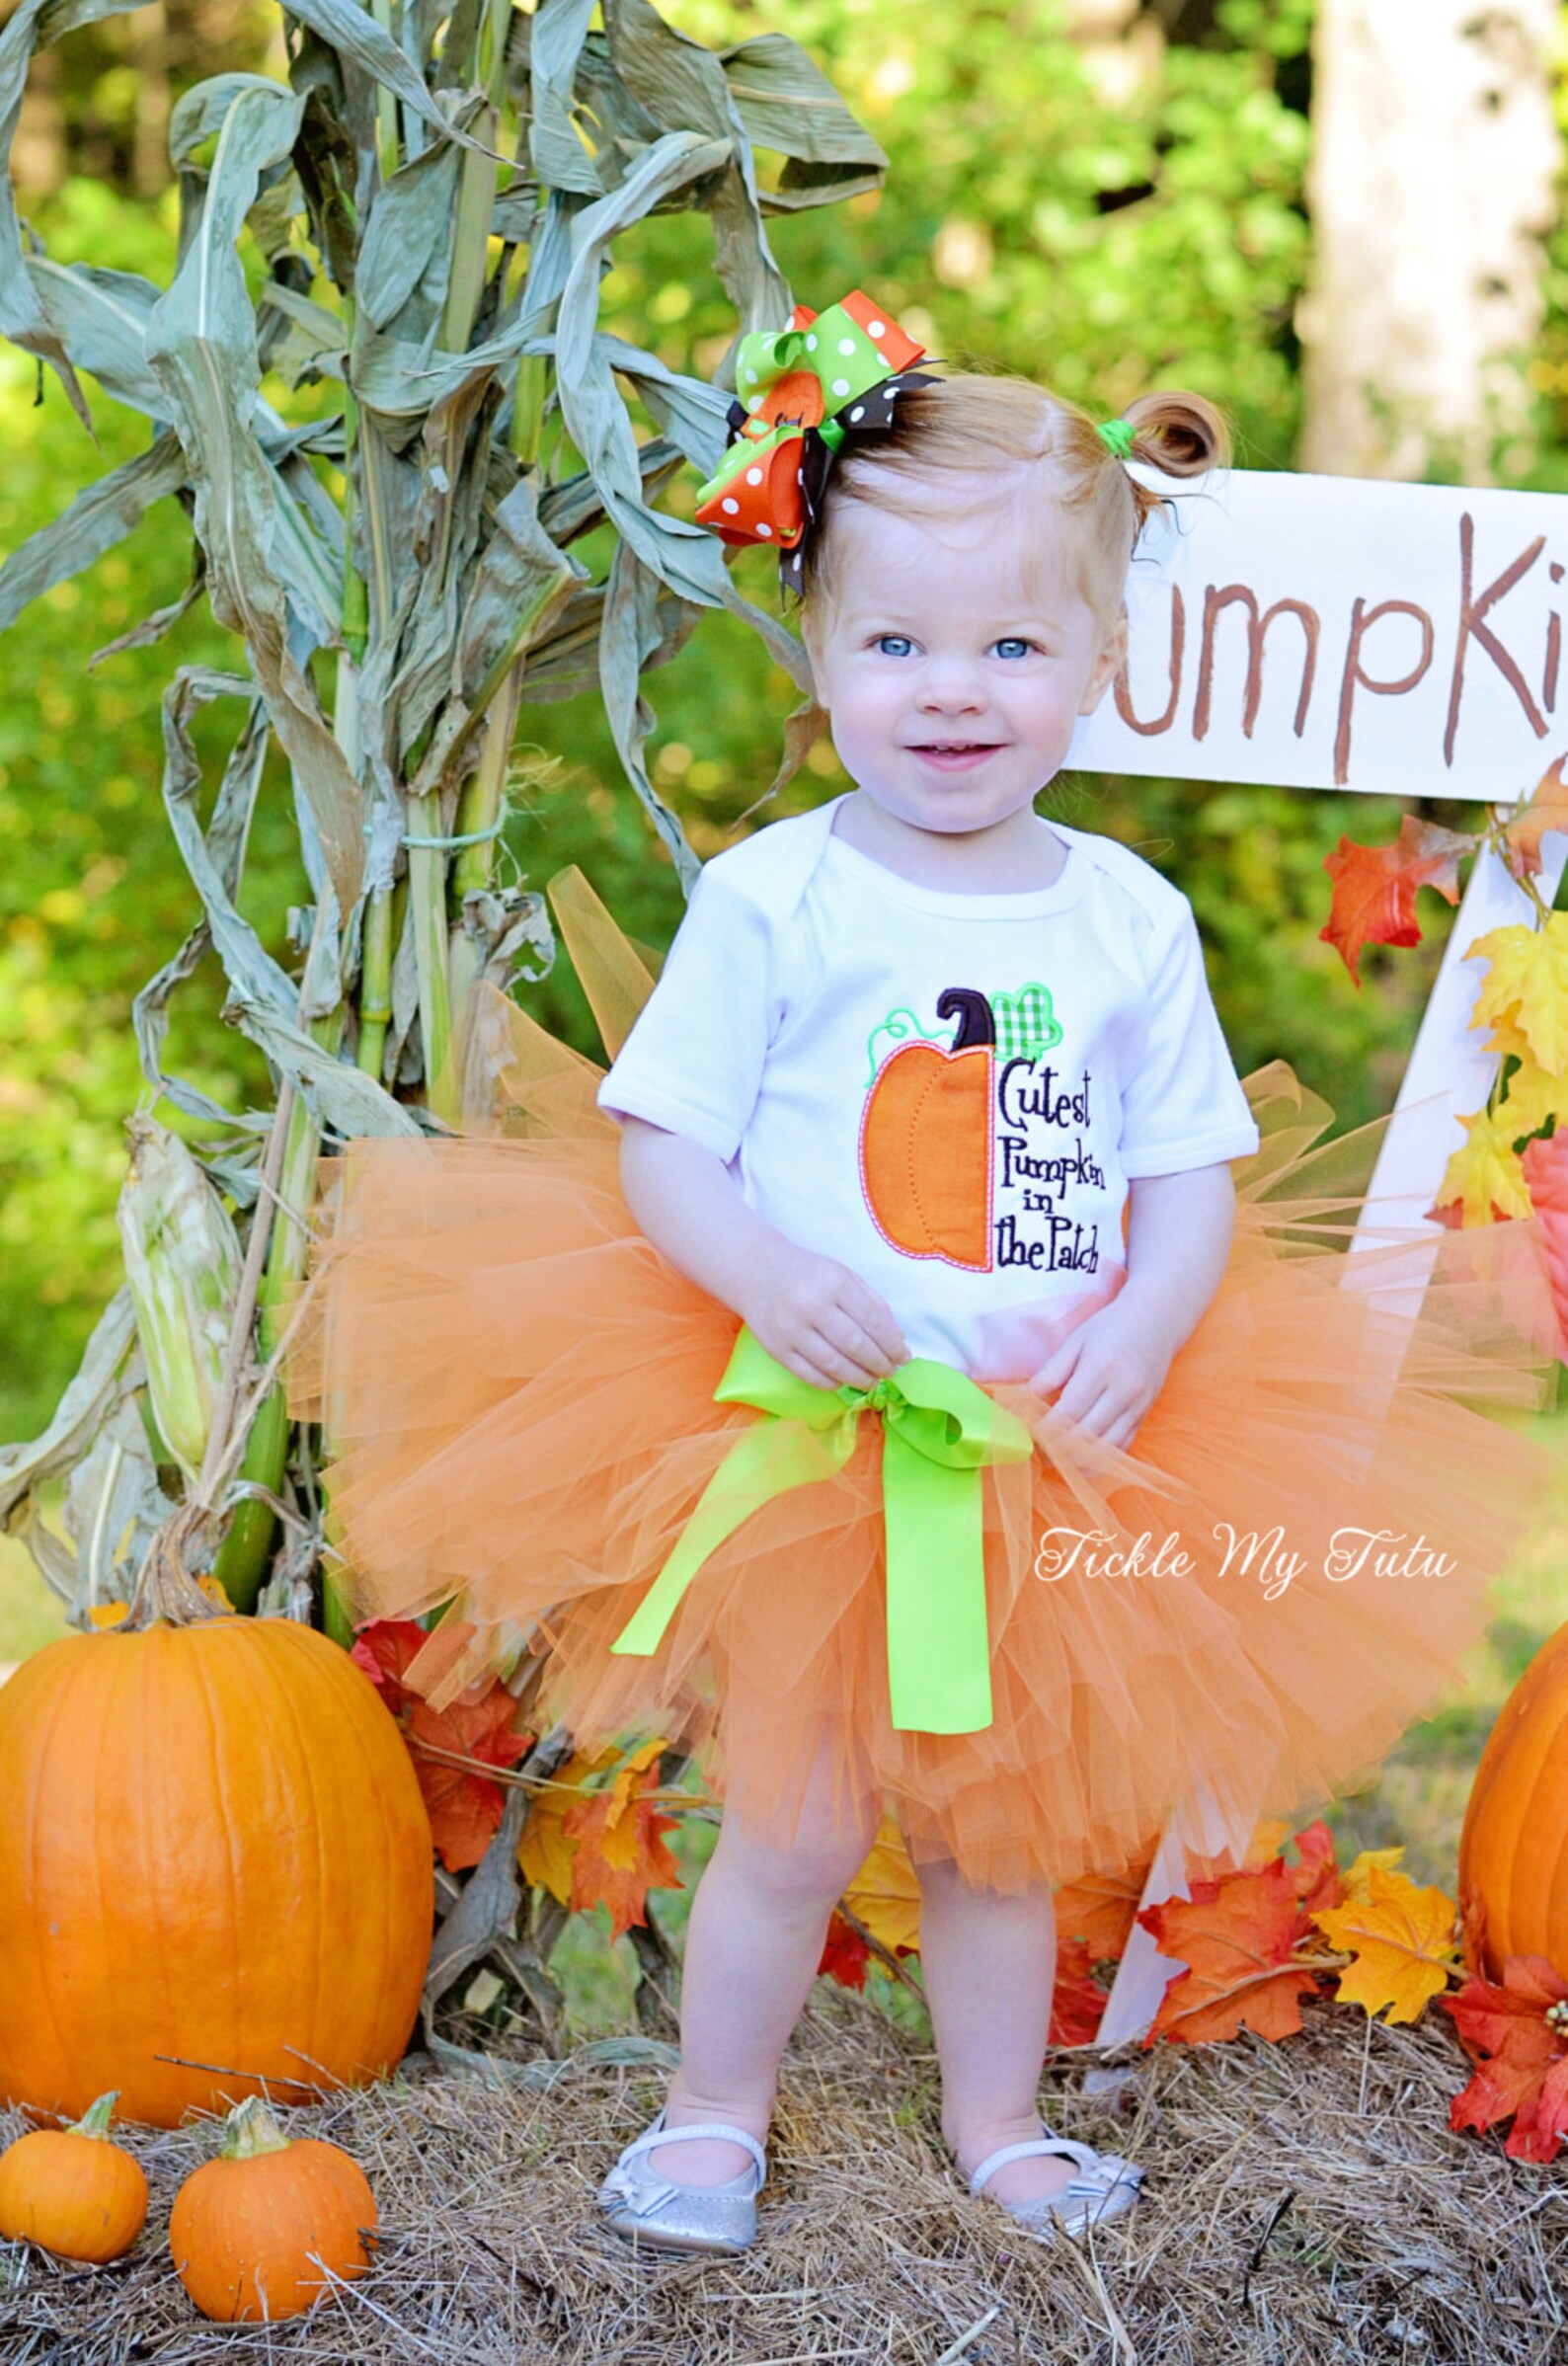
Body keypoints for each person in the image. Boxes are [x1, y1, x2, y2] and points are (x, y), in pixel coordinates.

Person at [281, 291, 1565, 2260]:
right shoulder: (777, 892)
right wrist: (766, 1274)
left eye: (1008, 646)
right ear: (814, 649)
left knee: (997, 1831)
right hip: (823, 1442)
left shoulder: (1119, 916)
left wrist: (1145, 1319)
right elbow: (663, 1143)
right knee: (791, 1821)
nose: (949, 690)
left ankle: (995, 2120)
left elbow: (1186, 1175)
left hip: (1043, 1446)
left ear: (1095, 661)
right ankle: (713, 2107)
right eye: (893, 642)